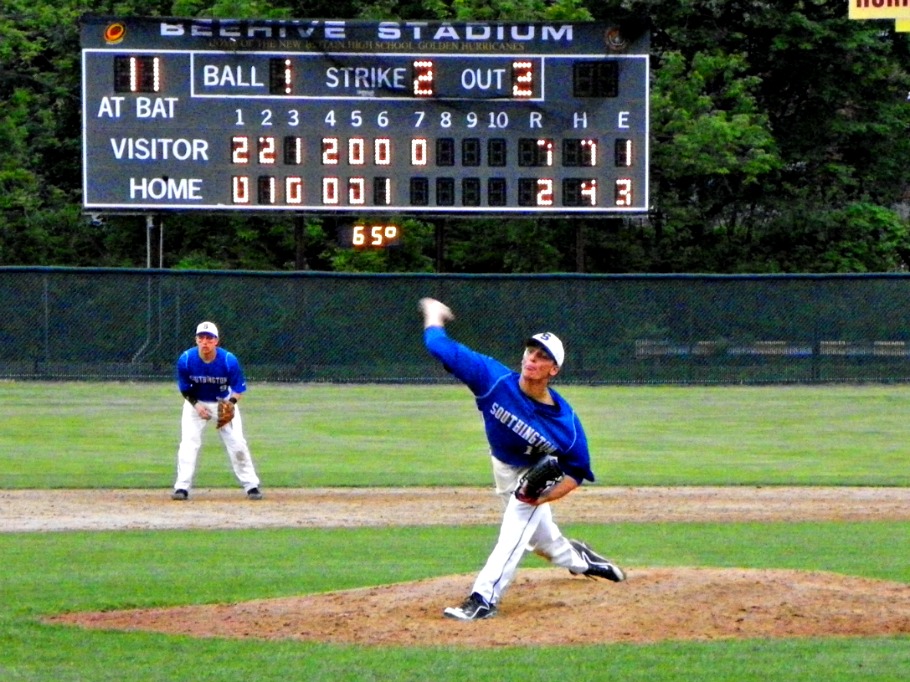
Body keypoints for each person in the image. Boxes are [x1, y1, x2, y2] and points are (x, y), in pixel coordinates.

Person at [419, 298, 625, 621]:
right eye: (531, 351)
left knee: (515, 529)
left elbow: (576, 472)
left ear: (553, 370)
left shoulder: (566, 426)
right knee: (543, 544)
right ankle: (582, 560)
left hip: (537, 475)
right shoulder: (492, 379)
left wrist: (540, 495)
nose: (533, 358)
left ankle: (483, 598)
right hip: (503, 467)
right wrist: (434, 314)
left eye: (543, 357)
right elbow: (438, 345)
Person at [171, 321, 263, 501]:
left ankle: (251, 485)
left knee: (237, 443)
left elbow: (238, 389)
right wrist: (197, 405)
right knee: (189, 444)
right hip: (195, 403)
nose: (205, 342)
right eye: (201, 338)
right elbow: (185, 388)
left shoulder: (228, 360)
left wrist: (229, 405)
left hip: (224, 401)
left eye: (209, 338)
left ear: (216, 341)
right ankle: (182, 487)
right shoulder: (187, 359)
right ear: (196, 340)